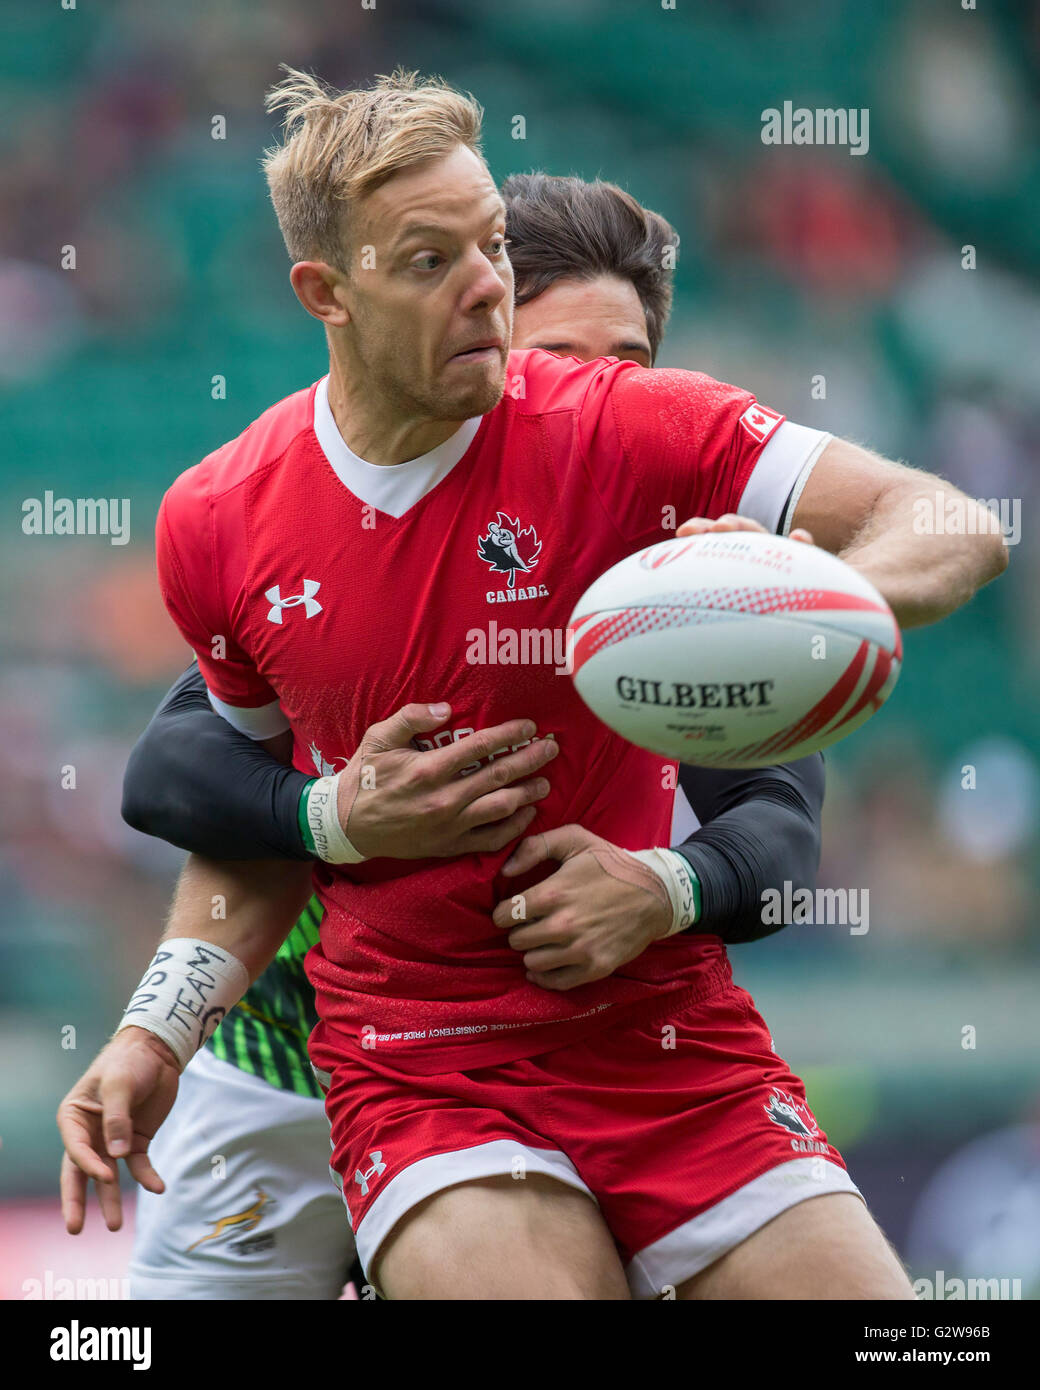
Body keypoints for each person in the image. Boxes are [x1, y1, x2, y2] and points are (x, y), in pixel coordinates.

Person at [59, 69, 1006, 1301]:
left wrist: (818, 603)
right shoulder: (222, 519)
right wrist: (155, 1027)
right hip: (409, 1055)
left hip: (661, 1040)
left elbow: (947, 521)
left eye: (493, 243)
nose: (486, 286)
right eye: (429, 257)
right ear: (324, 294)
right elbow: (226, 811)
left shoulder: (626, 435)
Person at [109, 171, 826, 1300]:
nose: (594, 405)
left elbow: (778, 829)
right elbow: (170, 770)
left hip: (578, 1065)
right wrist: (331, 819)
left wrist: (664, 883)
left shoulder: (688, 588)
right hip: (291, 1072)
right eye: (561, 367)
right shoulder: (351, 551)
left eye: (625, 370)